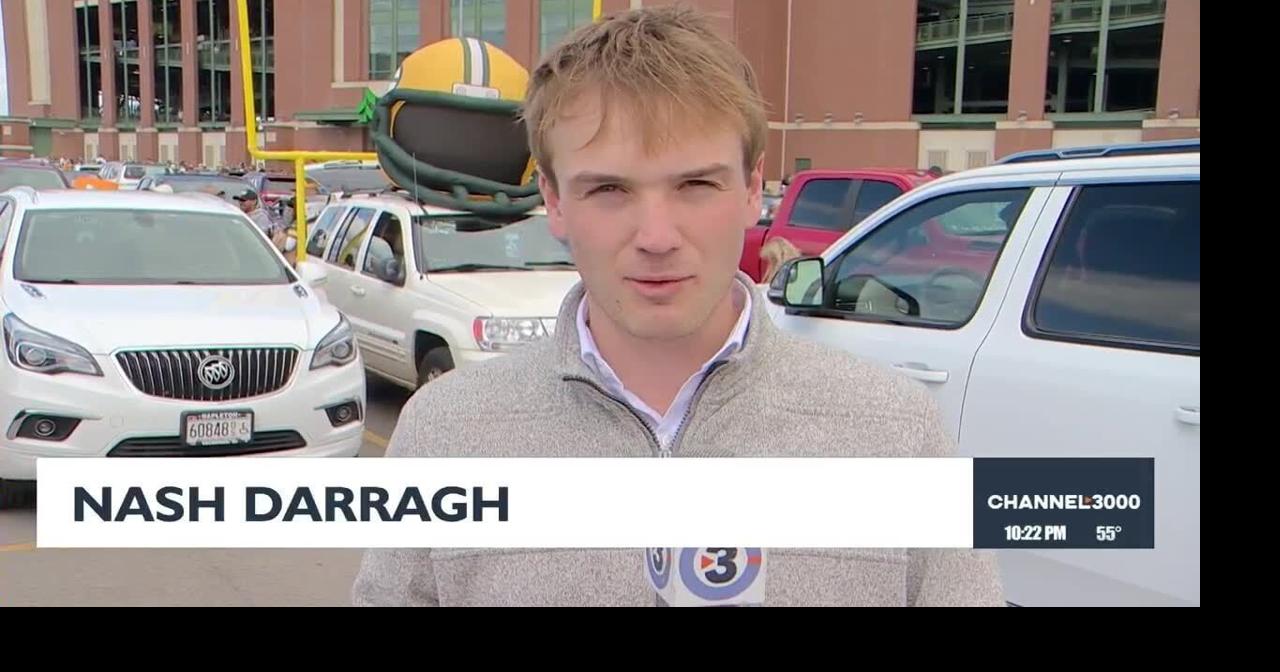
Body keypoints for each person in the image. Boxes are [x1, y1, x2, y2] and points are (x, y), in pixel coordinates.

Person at [352, 5, 1004, 607]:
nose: (657, 237)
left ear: (752, 189)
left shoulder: (894, 436)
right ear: (553, 199)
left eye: (695, 185)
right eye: (609, 189)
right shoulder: (446, 436)